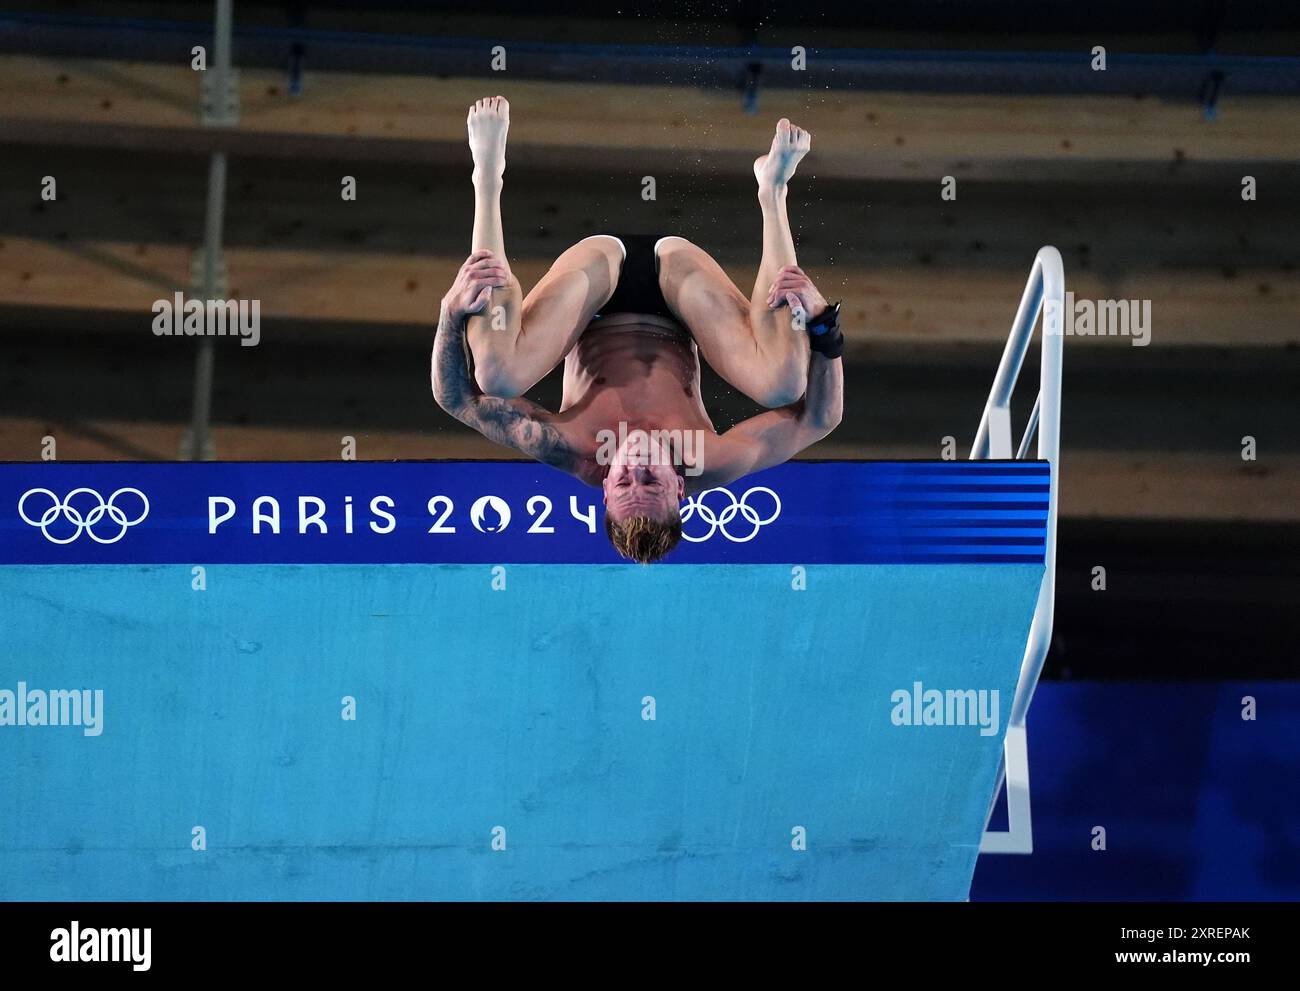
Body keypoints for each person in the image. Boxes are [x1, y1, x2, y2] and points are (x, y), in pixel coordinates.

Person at [432, 96, 844, 563]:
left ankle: (487, 178)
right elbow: (819, 419)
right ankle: (773, 192)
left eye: (626, 480)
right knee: (784, 384)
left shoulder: (570, 450)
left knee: (496, 377)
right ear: (681, 490)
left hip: (596, 290)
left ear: (605, 489)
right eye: (652, 481)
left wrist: (450, 313)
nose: (638, 468)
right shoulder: (711, 460)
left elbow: (456, 400)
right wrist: (825, 330)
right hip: (680, 296)